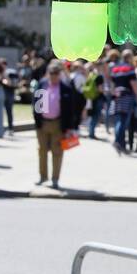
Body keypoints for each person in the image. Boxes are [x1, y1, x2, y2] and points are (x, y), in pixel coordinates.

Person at [32, 59, 82, 188]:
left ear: (59, 74)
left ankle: (55, 179)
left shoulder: (65, 87)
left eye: (56, 73)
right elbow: (36, 104)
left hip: (58, 124)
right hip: (43, 123)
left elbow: (71, 109)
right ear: (48, 73)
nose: (53, 76)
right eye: (51, 73)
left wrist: (70, 127)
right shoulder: (42, 84)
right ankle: (43, 176)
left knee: (57, 151)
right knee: (42, 150)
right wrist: (37, 122)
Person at [111, 50, 137, 155]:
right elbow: (133, 84)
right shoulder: (130, 68)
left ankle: (121, 145)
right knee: (123, 122)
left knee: (119, 120)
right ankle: (117, 141)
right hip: (127, 96)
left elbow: (112, 83)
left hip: (117, 96)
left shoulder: (116, 68)